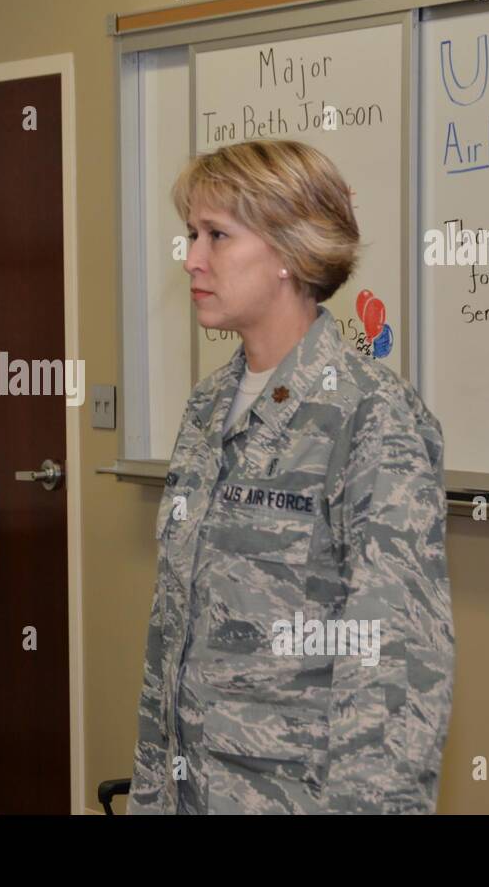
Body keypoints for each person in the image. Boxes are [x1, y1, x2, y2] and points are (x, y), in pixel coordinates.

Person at [129, 139, 454, 814]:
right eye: (192, 234)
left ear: (288, 251)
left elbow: (395, 664)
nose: (191, 258)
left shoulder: (370, 415)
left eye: (217, 235)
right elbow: (173, 635)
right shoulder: (207, 406)